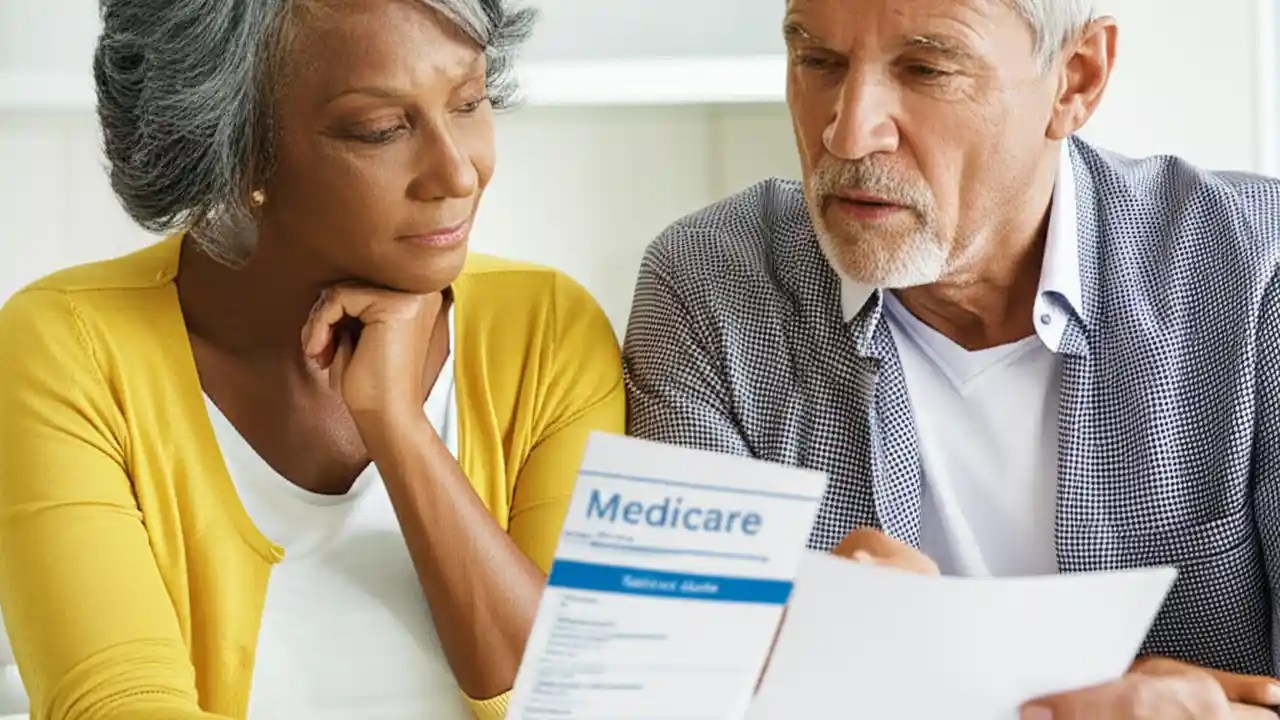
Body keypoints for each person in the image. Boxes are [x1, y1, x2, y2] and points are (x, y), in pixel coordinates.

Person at [622, 0, 1280, 717]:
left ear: (1075, 81)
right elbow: (665, 689)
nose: (847, 133)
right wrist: (805, 660)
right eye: (817, 61)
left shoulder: (1256, 275)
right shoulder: (708, 286)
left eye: (928, 69)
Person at [0, 0, 624, 718]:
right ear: (234, 152)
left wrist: (398, 427)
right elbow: (117, 705)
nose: (457, 174)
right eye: (380, 130)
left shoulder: (547, 331)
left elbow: (578, 695)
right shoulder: (71, 345)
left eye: (468, 103)